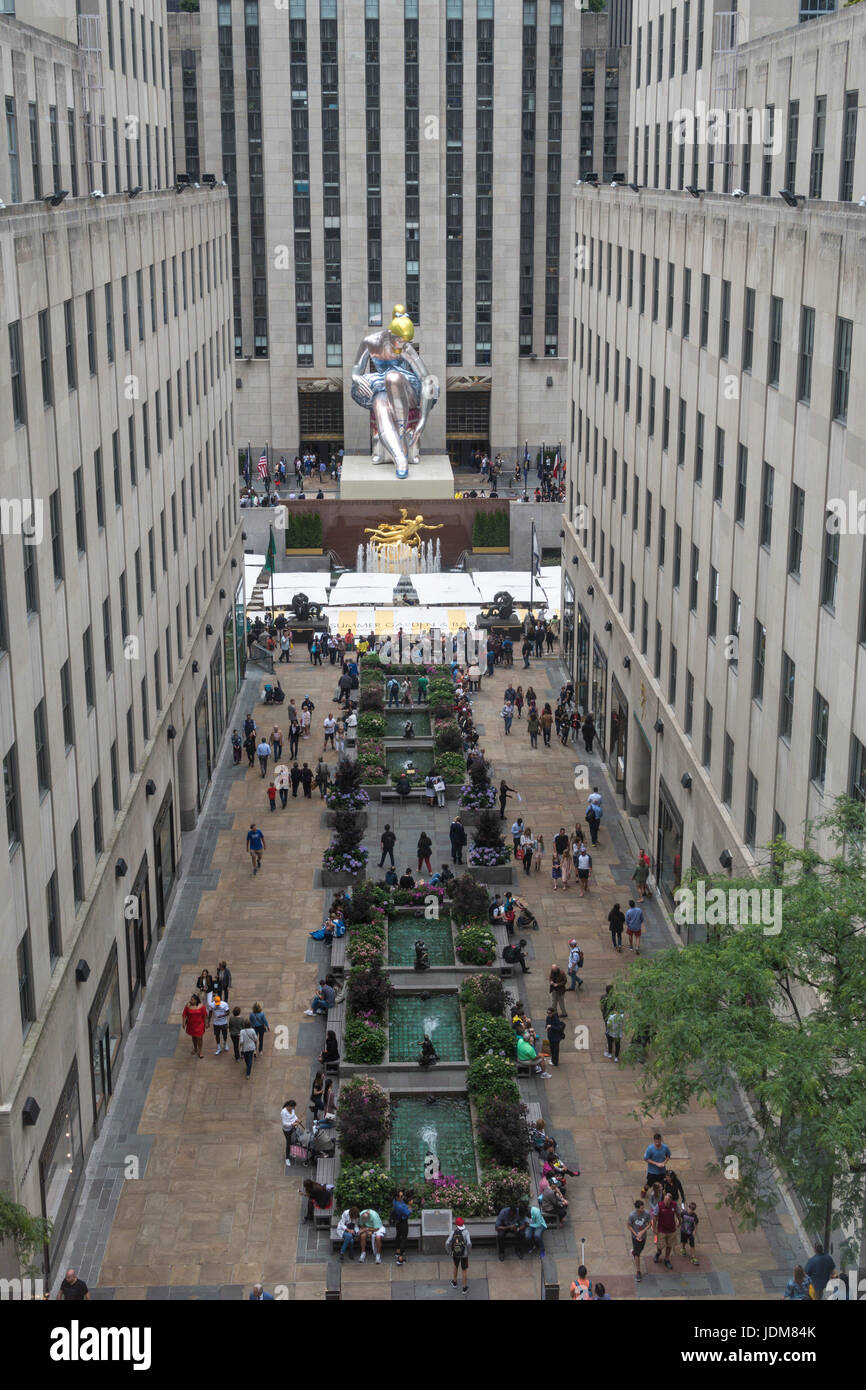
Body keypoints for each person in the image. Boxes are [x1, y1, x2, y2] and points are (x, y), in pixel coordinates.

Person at [653, 1192, 681, 1269]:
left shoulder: (674, 1205)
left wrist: (680, 1221)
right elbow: (655, 1217)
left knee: (669, 1245)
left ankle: (667, 1259)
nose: (666, 1201)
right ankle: (658, 1253)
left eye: (668, 1200)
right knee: (660, 1245)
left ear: (671, 1200)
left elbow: (678, 1213)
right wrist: (654, 1228)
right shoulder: (659, 1205)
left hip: (671, 1230)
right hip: (661, 1230)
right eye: (665, 1199)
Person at [627, 1198, 652, 1282]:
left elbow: (650, 1224)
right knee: (637, 1254)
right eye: (641, 1208)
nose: (643, 1209)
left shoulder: (646, 1214)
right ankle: (638, 1271)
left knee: (640, 1249)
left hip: (643, 1236)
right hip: (635, 1237)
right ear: (637, 1208)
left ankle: (634, 1252)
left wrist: (642, 1232)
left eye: (643, 1207)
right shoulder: (632, 1215)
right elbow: (629, 1226)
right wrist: (636, 1234)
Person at [446, 1216, 472, 1290]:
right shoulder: (466, 1232)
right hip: (464, 1254)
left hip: (455, 1253)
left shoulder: (453, 1232)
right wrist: (468, 1252)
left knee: (455, 1266)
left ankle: (454, 1282)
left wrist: (450, 1252)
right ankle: (464, 1287)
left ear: (456, 1224)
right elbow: (469, 1243)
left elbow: (447, 1243)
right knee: (464, 1269)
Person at [182, 993, 208, 1058]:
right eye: (191, 999)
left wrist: (206, 1023)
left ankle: (200, 1051)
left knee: (199, 1038)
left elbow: (205, 1015)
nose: (191, 1001)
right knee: (193, 1037)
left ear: (196, 1000)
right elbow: (184, 1014)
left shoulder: (201, 1006)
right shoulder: (188, 1005)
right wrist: (184, 1023)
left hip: (199, 1025)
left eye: (192, 1000)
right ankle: (195, 1048)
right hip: (191, 1025)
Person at [391, 1190, 412, 1266]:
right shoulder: (399, 1206)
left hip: (398, 1221)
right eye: (401, 1196)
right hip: (403, 1222)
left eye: (403, 1195)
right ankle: (400, 1258)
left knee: (398, 1235)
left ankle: (397, 1251)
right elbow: (408, 1213)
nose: (403, 1197)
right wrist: (409, 1205)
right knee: (403, 1238)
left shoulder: (395, 1202)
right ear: (397, 1197)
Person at [281, 1099, 302, 1164]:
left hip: (293, 1128)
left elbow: (294, 1116)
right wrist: (292, 1124)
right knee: (289, 1143)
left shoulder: (292, 1109)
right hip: (287, 1130)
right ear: (289, 1106)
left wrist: (297, 1119)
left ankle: (292, 1152)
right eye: (293, 1107)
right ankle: (287, 1158)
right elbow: (284, 1123)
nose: (293, 1109)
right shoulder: (283, 1112)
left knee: (294, 1140)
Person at [679, 1201, 700, 1265]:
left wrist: (694, 1231)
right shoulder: (684, 1213)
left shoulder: (694, 1216)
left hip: (690, 1232)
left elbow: (696, 1224)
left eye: (692, 1209)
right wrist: (678, 1223)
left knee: (692, 1244)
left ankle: (693, 1257)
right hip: (683, 1230)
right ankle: (683, 1248)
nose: (691, 1210)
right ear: (688, 1207)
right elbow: (679, 1217)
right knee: (683, 1241)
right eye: (690, 1209)